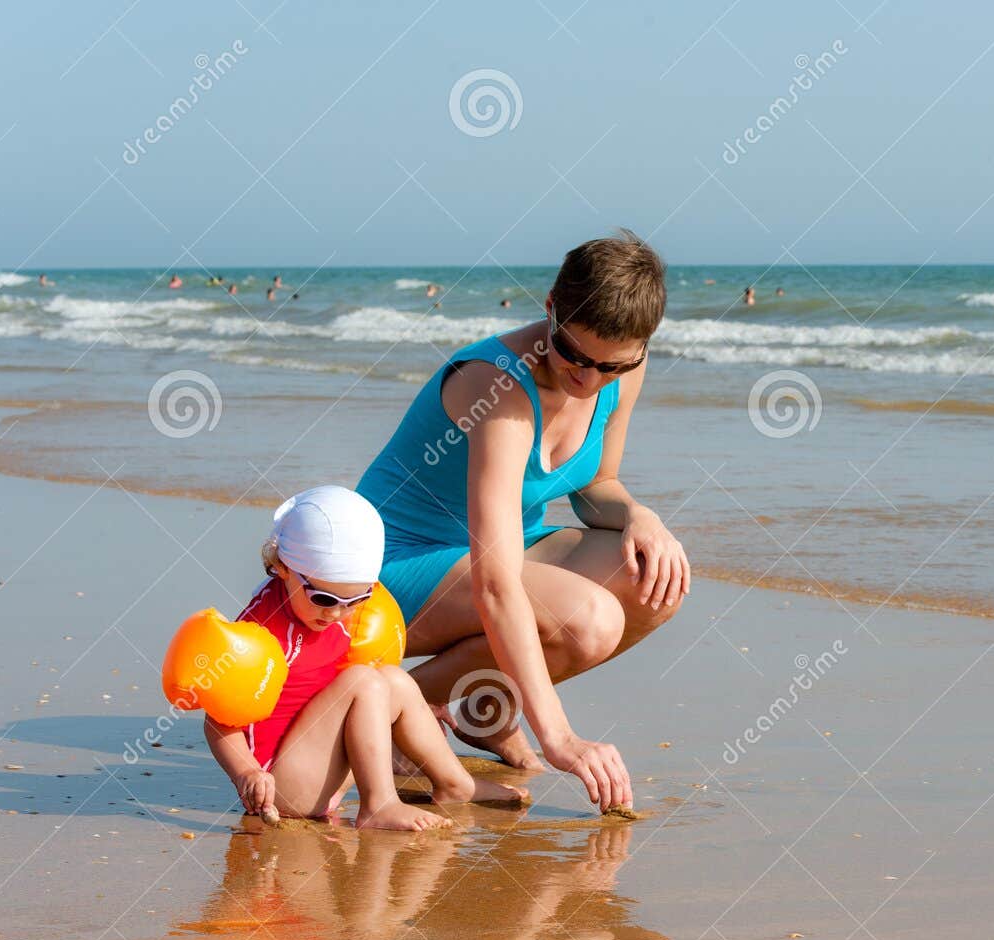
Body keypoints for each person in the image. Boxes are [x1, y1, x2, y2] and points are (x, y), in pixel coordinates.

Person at [357, 230, 687, 813]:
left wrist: (640, 515)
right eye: (574, 355)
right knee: (589, 620)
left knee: (652, 579)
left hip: (500, 544)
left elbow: (596, 485)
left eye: (610, 365)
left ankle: (479, 705)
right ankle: (383, 711)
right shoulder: (499, 384)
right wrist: (558, 736)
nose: (588, 379)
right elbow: (494, 583)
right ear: (552, 308)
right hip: (392, 564)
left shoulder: (622, 368)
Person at [202, 486, 526, 830]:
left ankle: (454, 783)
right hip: (283, 787)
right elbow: (218, 722)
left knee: (393, 680)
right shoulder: (259, 632)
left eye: (357, 599)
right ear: (282, 566)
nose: (338, 614)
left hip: (321, 763)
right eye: (325, 598)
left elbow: (328, 692)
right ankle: (378, 805)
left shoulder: (337, 613)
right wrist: (247, 773)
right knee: (364, 681)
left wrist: (404, 716)